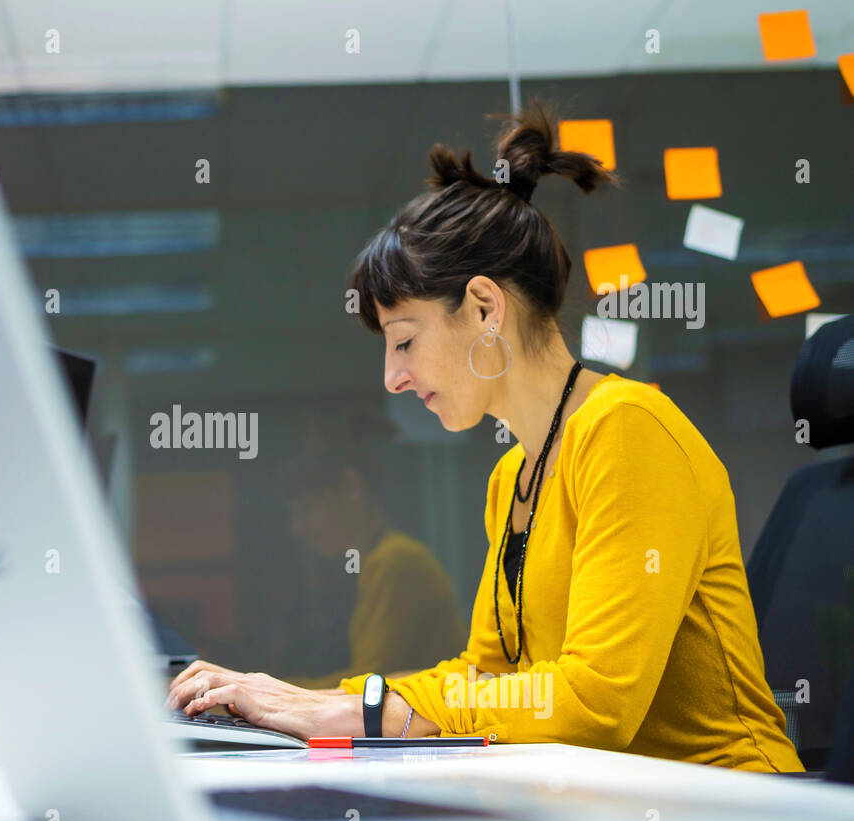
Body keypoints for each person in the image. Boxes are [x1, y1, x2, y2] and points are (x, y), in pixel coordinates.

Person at [166, 102, 803, 773]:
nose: (393, 377)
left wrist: (360, 711)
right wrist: (319, 700)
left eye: (405, 341)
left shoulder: (626, 432)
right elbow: (485, 675)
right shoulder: (513, 480)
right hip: (603, 803)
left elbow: (596, 703)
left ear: (484, 307)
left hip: (730, 811)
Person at [279, 444, 464, 687]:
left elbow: (370, 684)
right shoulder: (379, 561)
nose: (297, 529)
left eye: (305, 510)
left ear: (351, 487)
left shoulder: (395, 560)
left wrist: (273, 691)